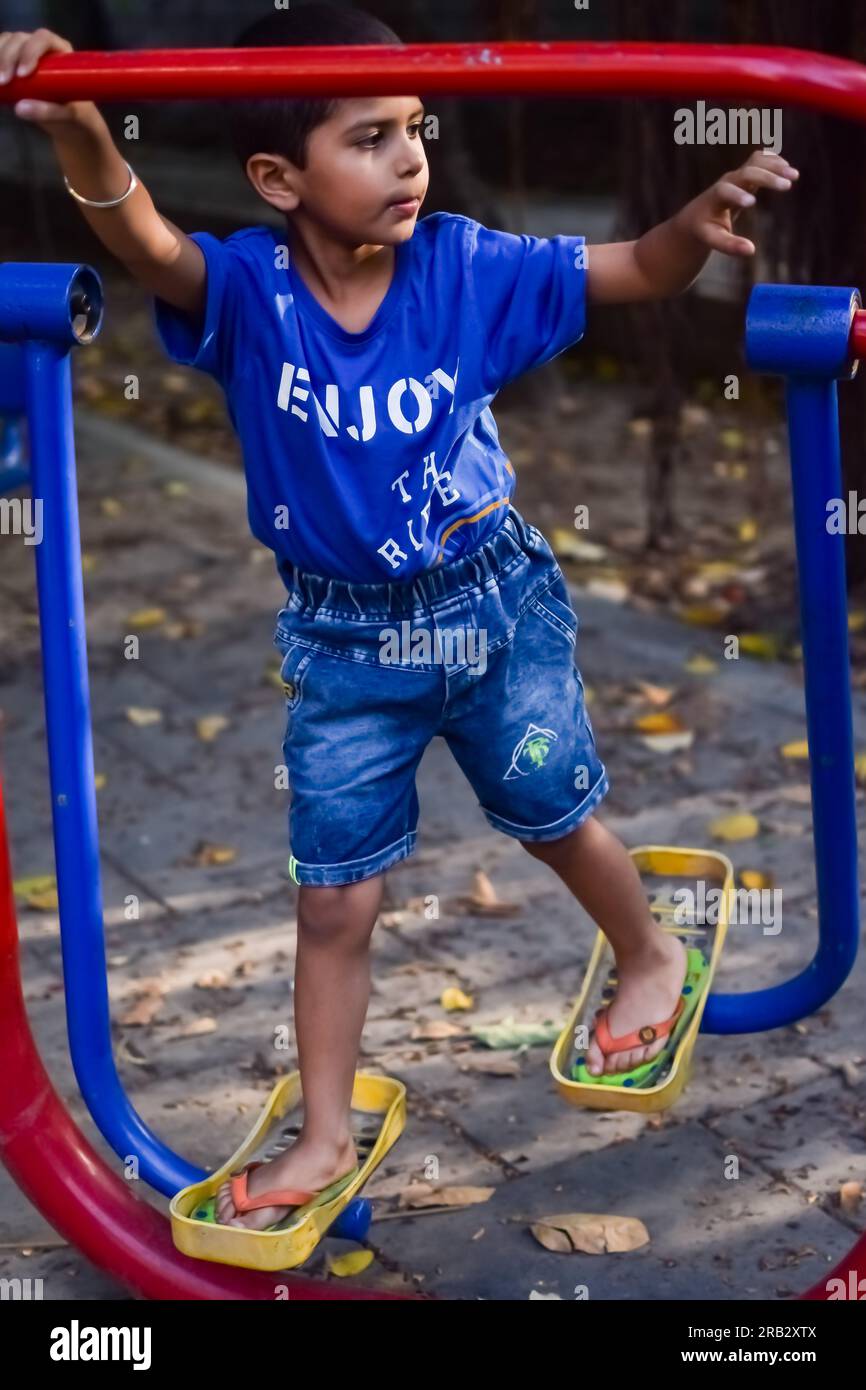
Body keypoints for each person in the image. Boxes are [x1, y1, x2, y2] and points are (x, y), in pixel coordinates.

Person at [0, 5, 797, 1232]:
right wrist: (81, 131)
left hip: (489, 602)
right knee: (334, 895)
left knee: (549, 809)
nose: (410, 159)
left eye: (415, 128)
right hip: (339, 641)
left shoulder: (464, 266)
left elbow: (631, 267)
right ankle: (323, 1131)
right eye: (368, 137)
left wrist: (688, 230)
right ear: (277, 177)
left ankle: (649, 952)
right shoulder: (250, 294)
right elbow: (147, 241)